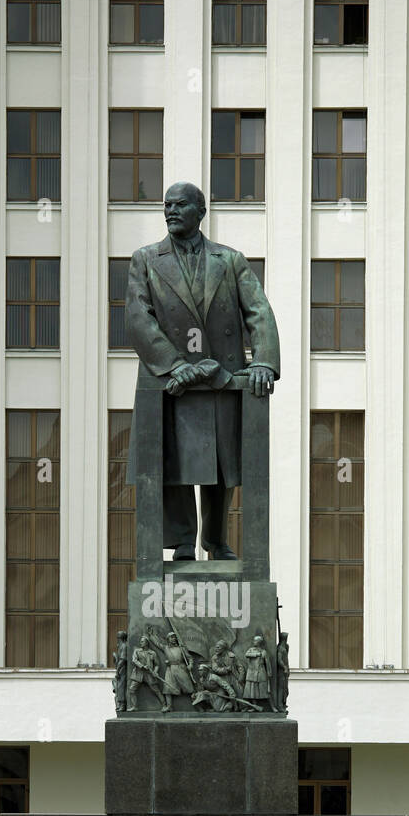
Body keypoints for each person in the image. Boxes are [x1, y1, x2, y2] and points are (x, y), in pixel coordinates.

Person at [125, 182, 280, 560]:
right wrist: (176, 366)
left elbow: (258, 310)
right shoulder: (145, 259)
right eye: (167, 205)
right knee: (174, 462)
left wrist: (263, 360)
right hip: (170, 382)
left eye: (180, 205)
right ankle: (181, 541)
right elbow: (138, 319)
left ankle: (215, 540)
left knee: (221, 464)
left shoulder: (229, 260)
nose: (171, 211)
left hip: (221, 378)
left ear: (200, 211)